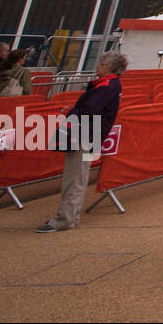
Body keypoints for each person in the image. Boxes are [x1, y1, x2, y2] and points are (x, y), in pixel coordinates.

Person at [37, 51, 127, 232]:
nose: (97, 67)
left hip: (84, 134)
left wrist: (70, 112)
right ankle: (70, 216)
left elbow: (89, 110)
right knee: (77, 177)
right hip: (89, 133)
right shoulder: (109, 85)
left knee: (74, 178)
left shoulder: (106, 86)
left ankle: (66, 218)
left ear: (110, 67)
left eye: (101, 64)